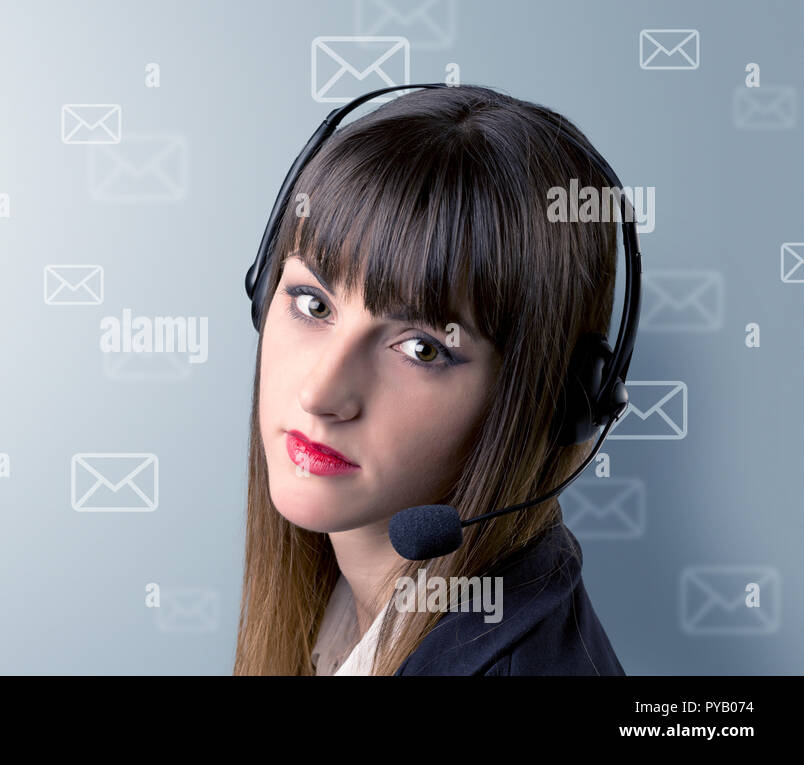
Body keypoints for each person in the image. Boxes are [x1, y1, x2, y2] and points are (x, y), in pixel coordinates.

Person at [233, 84, 627, 676]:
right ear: (266, 292)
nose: (319, 395)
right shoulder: (344, 614)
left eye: (421, 348)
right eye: (313, 305)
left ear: (549, 403)